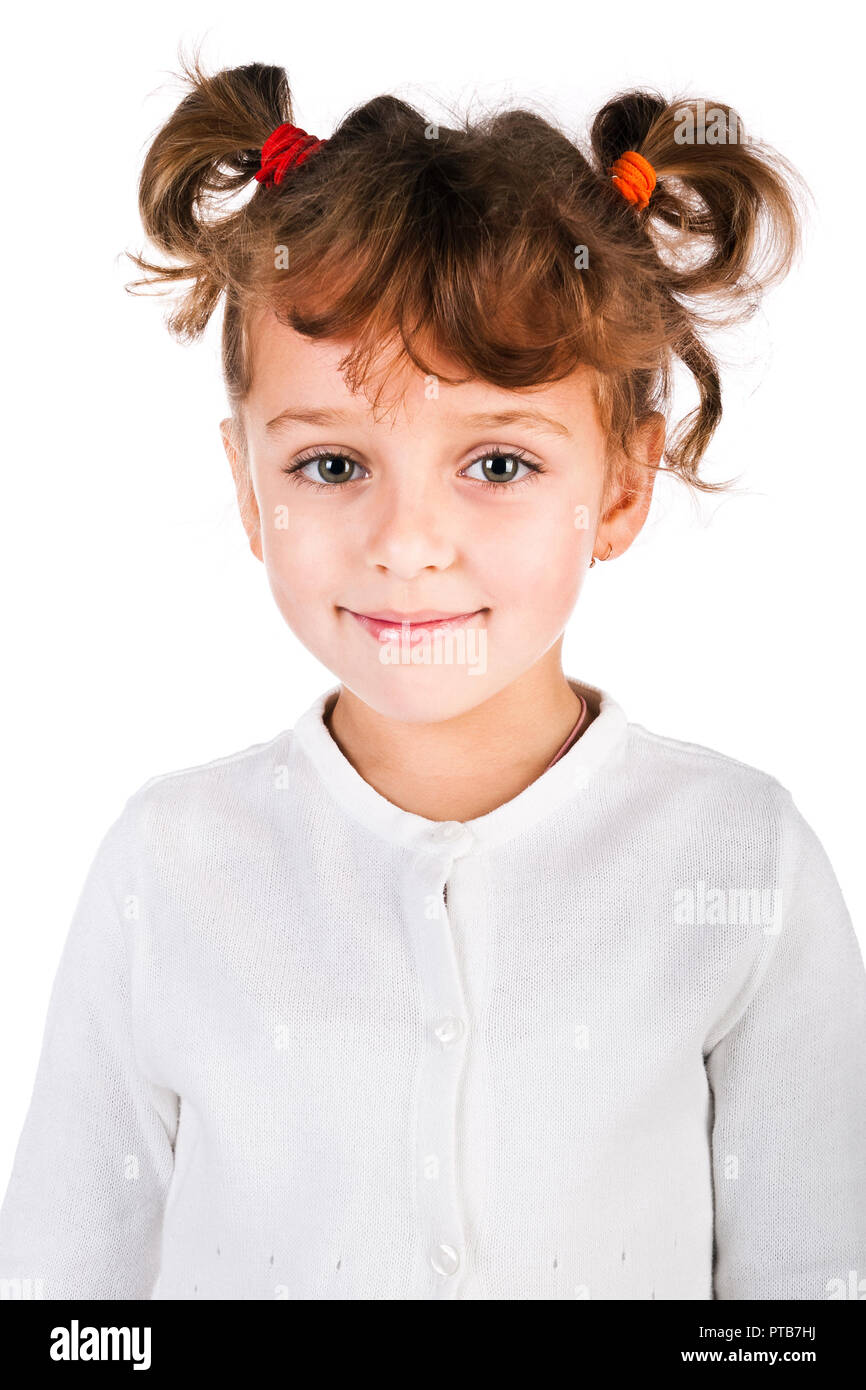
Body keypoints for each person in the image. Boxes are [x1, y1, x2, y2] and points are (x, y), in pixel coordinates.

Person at [1, 49, 864, 1301]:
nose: (406, 544)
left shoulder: (741, 862)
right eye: (333, 466)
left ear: (619, 486)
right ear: (248, 487)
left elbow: (807, 1293)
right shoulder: (167, 864)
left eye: (498, 464)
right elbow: (63, 1295)